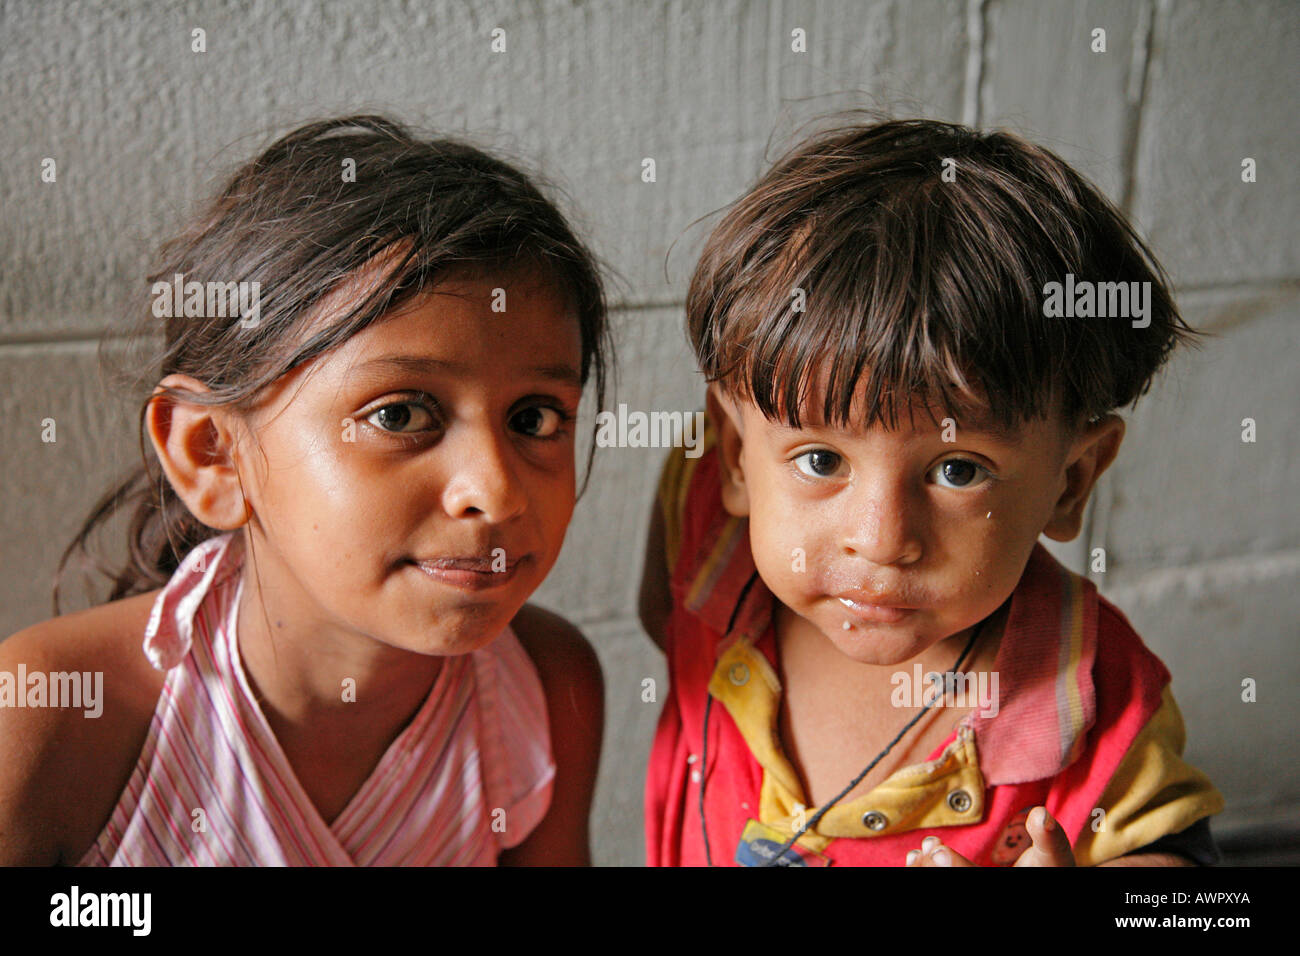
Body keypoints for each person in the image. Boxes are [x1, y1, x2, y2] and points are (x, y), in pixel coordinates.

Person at [0, 115, 608, 866]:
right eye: (400, 414)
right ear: (212, 455)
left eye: (534, 417)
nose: (498, 490)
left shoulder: (545, 684)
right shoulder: (47, 718)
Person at [640, 118, 1224, 867]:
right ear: (734, 458)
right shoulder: (707, 537)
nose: (882, 539)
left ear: (1071, 482)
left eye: (957, 469)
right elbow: (663, 618)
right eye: (820, 459)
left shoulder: (1090, 697)